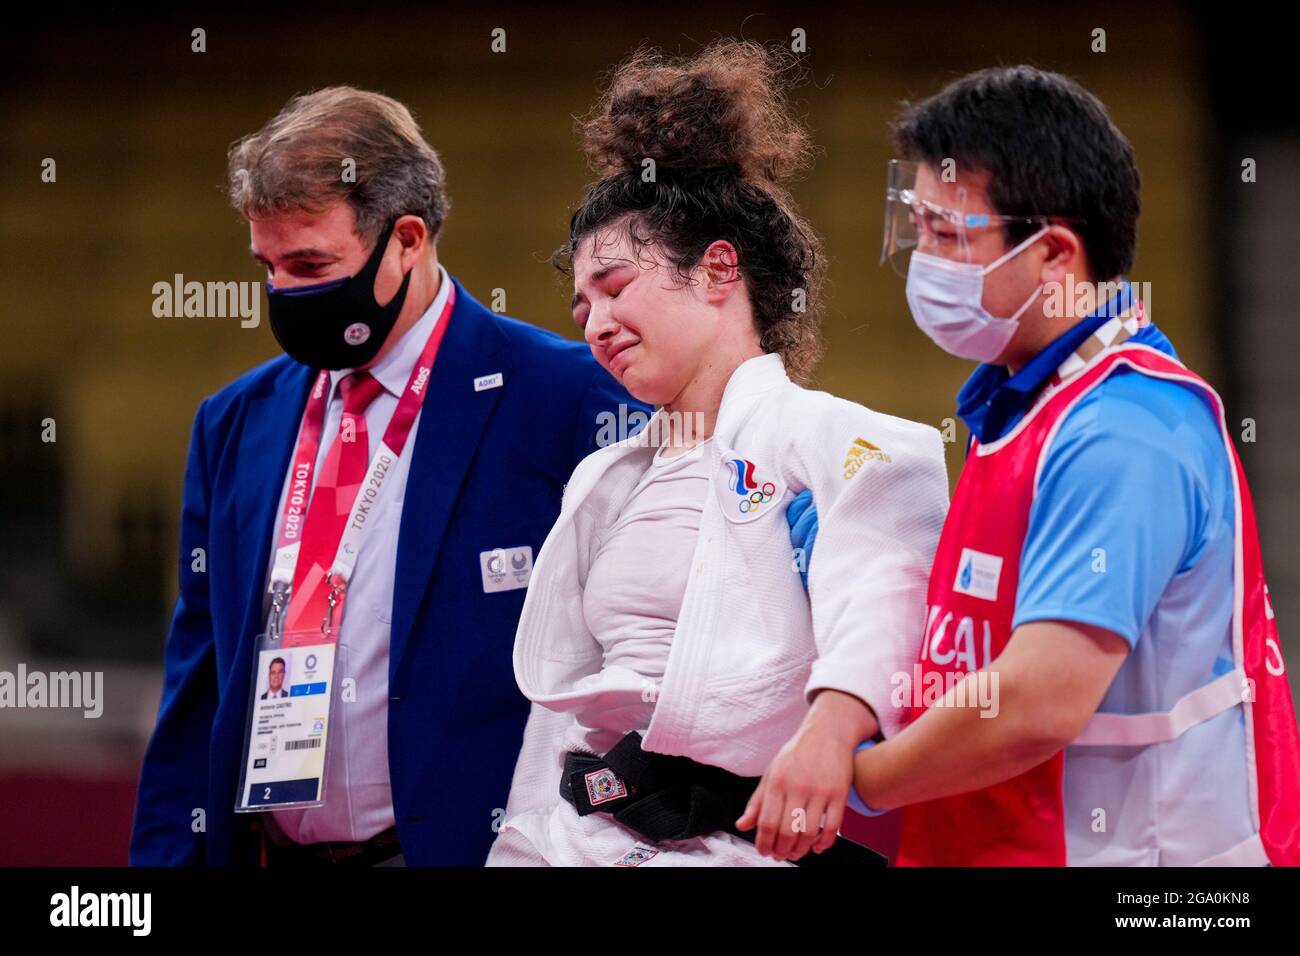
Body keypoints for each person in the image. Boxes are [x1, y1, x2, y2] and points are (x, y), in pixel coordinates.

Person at [795, 65, 1300, 865]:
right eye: (916, 228)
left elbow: (1038, 701)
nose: (923, 261)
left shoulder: (1123, 432)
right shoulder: (1026, 405)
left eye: (947, 236)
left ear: (1055, 254)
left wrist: (851, 781)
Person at [129, 87, 646, 867]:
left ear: (406, 239)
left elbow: (635, 664)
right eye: (268, 267)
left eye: (310, 264)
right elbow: (198, 688)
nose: (284, 292)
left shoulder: (566, 397)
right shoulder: (234, 423)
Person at [485, 41, 948, 867]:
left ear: (717, 272)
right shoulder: (603, 480)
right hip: (582, 838)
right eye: (581, 307)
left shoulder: (834, 441)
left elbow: (886, 591)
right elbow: (560, 719)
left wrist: (832, 729)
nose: (595, 325)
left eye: (615, 288)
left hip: (748, 841)